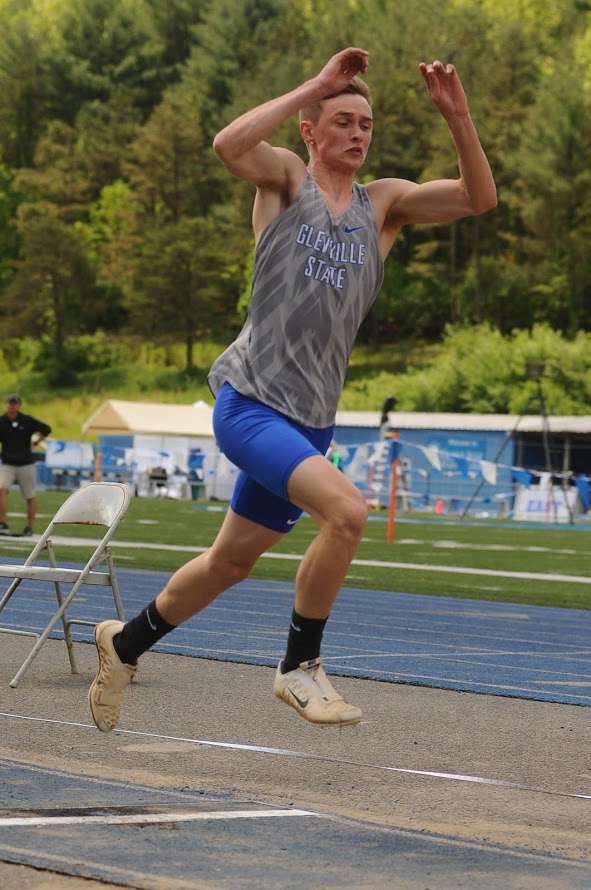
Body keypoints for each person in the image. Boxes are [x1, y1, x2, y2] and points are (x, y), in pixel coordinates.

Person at [88, 47, 497, 732]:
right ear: (310, 131)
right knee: (347, 513)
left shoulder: (385, 206)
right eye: (341, 120)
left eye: (365, 124)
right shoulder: (284, 179)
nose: (357, 134)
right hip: (249, 403)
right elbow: (227, 143)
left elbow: (477, 198)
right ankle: (298, 667)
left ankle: (124, 643)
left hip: (310, 421)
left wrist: (457, 117)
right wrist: (315, 84)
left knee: (229, 562)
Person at [0, 394, 52, 537]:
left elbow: (46, 429)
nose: (12, 406)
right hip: (8, 463)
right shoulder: (2, 421)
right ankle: (2, 523)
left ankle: (29, 527)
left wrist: (35, 443)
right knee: (1, 489)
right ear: (6, 404)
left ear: (19, 405)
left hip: (25, 463)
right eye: (10, 403)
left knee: (29, 495)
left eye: (15, 403)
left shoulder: (26, 420)